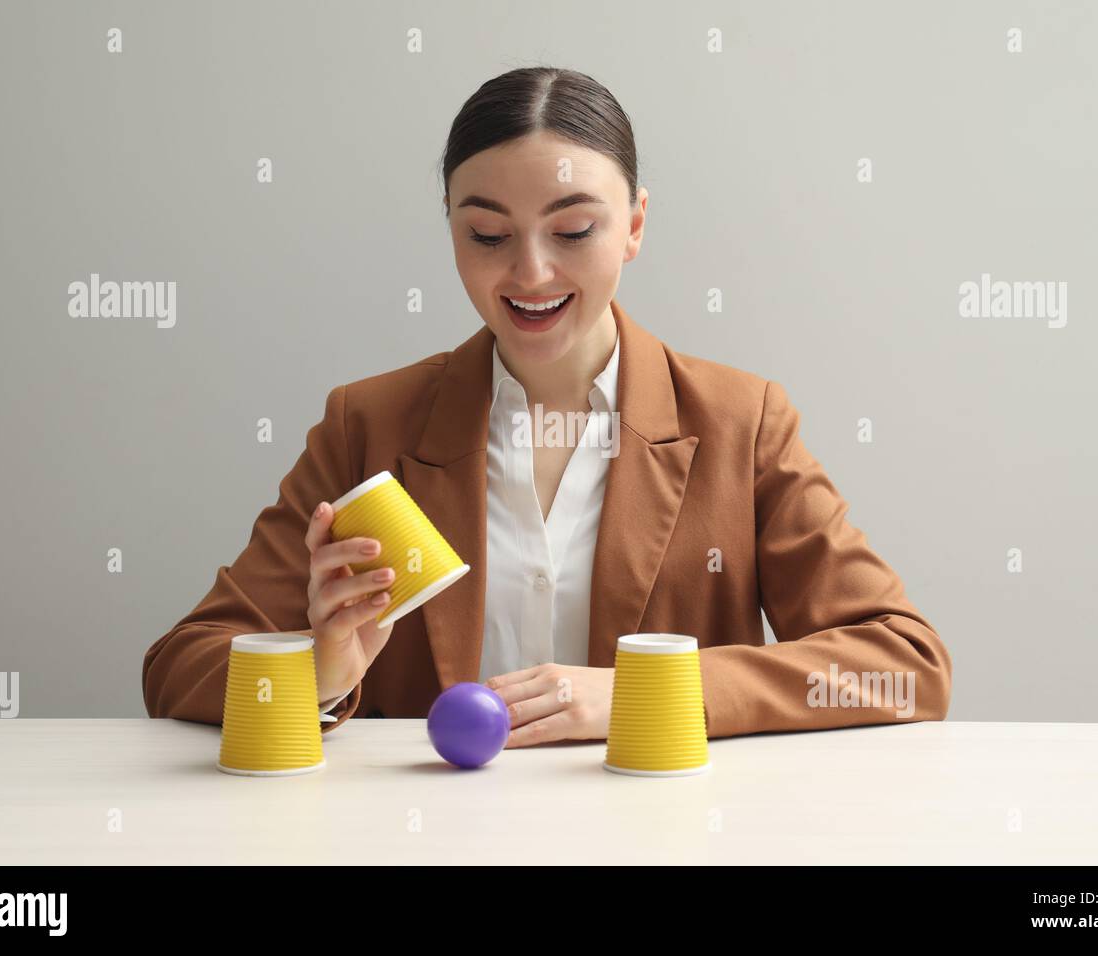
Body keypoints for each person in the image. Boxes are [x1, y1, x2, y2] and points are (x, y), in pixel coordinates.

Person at [142, 66, 951, 748]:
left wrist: (645, 693)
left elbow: (903, 664)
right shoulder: (370, 424)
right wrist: (316, 675)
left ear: (634, 225)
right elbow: (180, 662)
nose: (529, 274)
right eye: (488, 236)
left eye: (573, 231)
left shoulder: (741, 422)